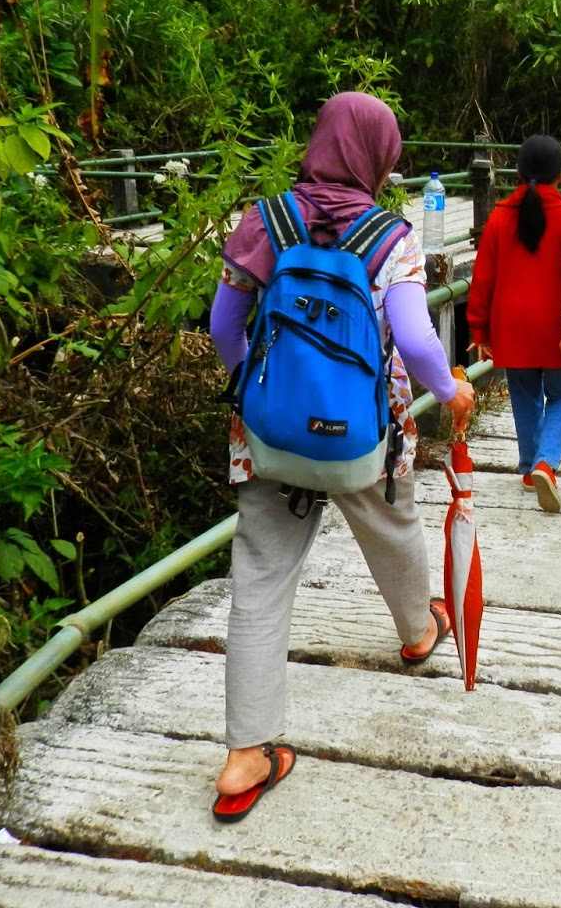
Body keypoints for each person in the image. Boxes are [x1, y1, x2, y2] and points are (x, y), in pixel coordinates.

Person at [206, 92, 475, 822]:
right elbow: (417, 341)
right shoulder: (393, 236)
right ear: (380, 156)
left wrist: (256, 396)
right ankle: (419, 631)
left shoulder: (265, 220)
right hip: (365, 430)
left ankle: (243, 758)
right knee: (393, 526)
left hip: (267, 433)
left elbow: (223, 324)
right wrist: (449, 390)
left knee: (259, 576)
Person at [467, 134, 561, 513]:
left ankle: (529, 468)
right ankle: (546, 463)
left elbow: (483, 279)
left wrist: (479, 329)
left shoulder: (497, 219)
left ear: (518, 173)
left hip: (511, 326)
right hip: (559, 327)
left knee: (524, 397)